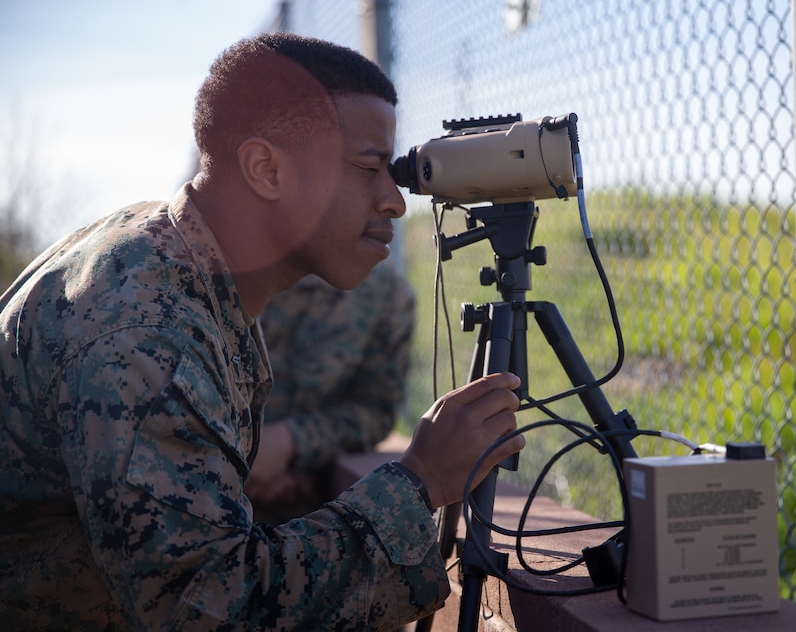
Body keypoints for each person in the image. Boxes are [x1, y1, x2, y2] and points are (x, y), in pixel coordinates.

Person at [0, 32, 524, 631]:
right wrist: (419, 481)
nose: (395, 201)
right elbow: (210, 611)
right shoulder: (147, 329)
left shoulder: (164, 257)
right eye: (367, 168)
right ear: (266, 169)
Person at [246, 261, 416, 521]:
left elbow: (375, 408)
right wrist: (237, 464)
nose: (391, 217)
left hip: (306, 516)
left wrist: (291, 442)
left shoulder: (384, 292)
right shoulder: (230, 263)